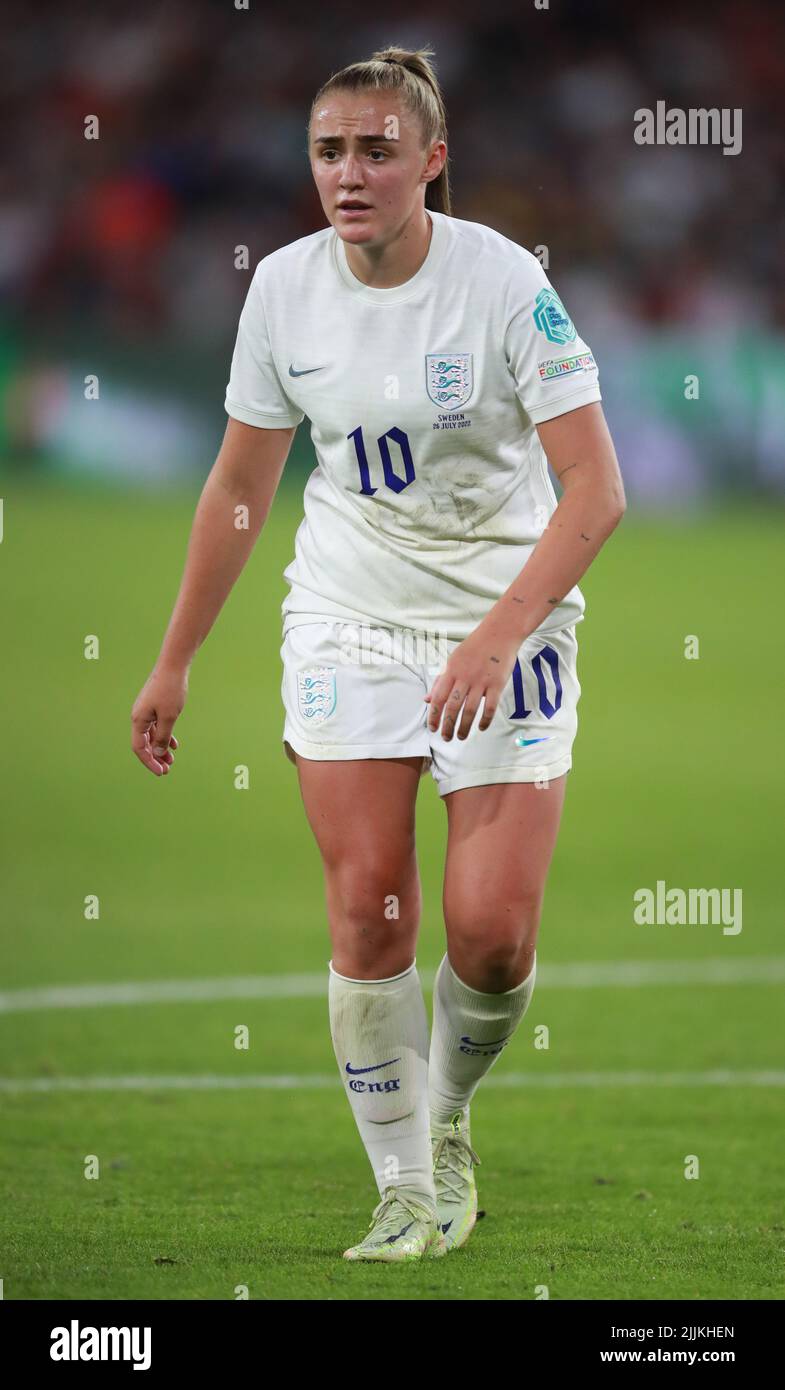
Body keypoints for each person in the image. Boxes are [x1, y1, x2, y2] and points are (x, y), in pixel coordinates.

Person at [131, 44, 626, 1264]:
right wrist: (174, 657)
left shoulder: (506, 285)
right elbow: (243, 485)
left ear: (430, 161)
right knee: (368, 910)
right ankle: (405, 1184)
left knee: (493, 935)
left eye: (375, 150)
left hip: (504, 616)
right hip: (349, 612)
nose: (347, 174)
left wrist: (493, 640)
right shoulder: (284, 290)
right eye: (327, 151)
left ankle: (445, 1115)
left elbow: (595, 492)